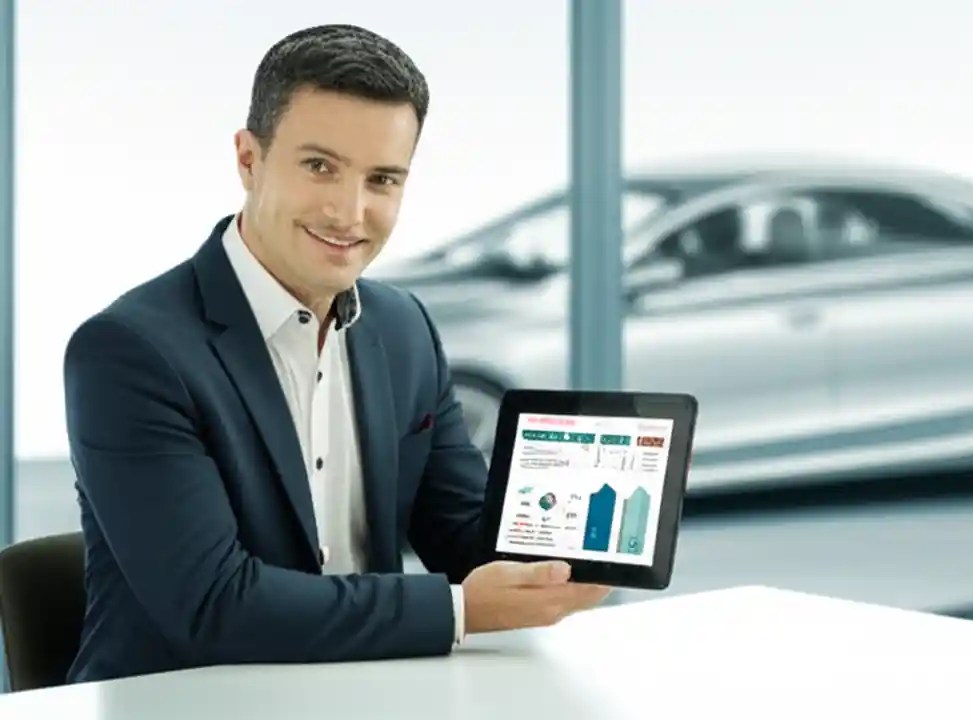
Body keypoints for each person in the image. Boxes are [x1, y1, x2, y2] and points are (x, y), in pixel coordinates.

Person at [62, 23, 610, 684]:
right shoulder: (130, 352)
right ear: (248, 159)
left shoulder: (403, 328)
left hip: (364, 690)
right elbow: (214, 605)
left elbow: (462, 536)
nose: (349, 212)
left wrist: (576, 533)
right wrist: (461, 610)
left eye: (382, 180)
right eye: (320, 166)